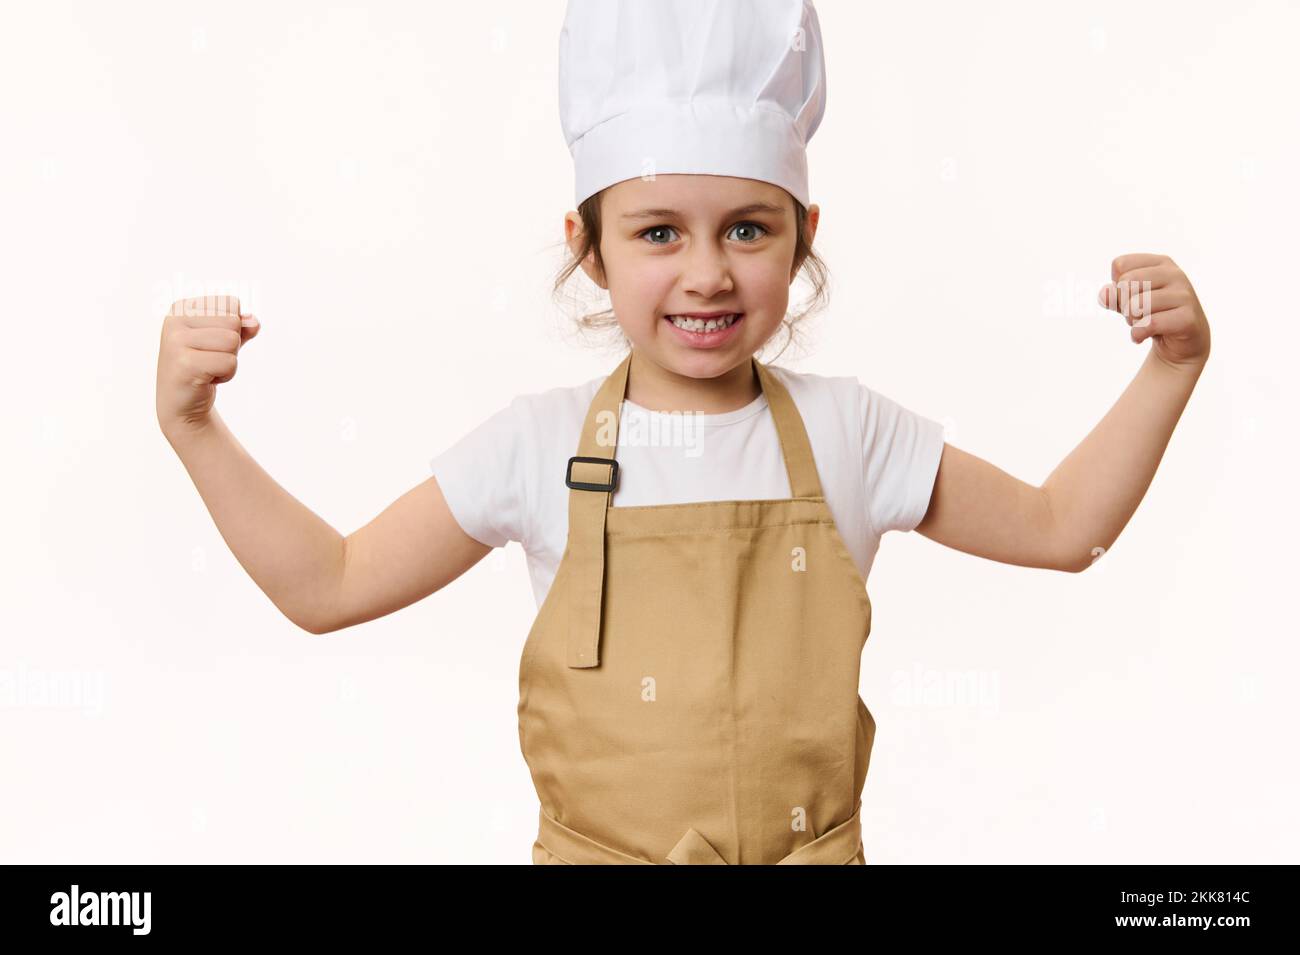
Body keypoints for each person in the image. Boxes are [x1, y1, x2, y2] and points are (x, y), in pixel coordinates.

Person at [154, 0, 1212, 864]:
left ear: (803, 239)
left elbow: (1064, 528)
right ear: (591, 246)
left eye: (746, 228)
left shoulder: (851, 432)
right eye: (658, 232)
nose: (706, 271)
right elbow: (328, 584)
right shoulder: (534, 447)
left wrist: (1173, 366)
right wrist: (195, 427)